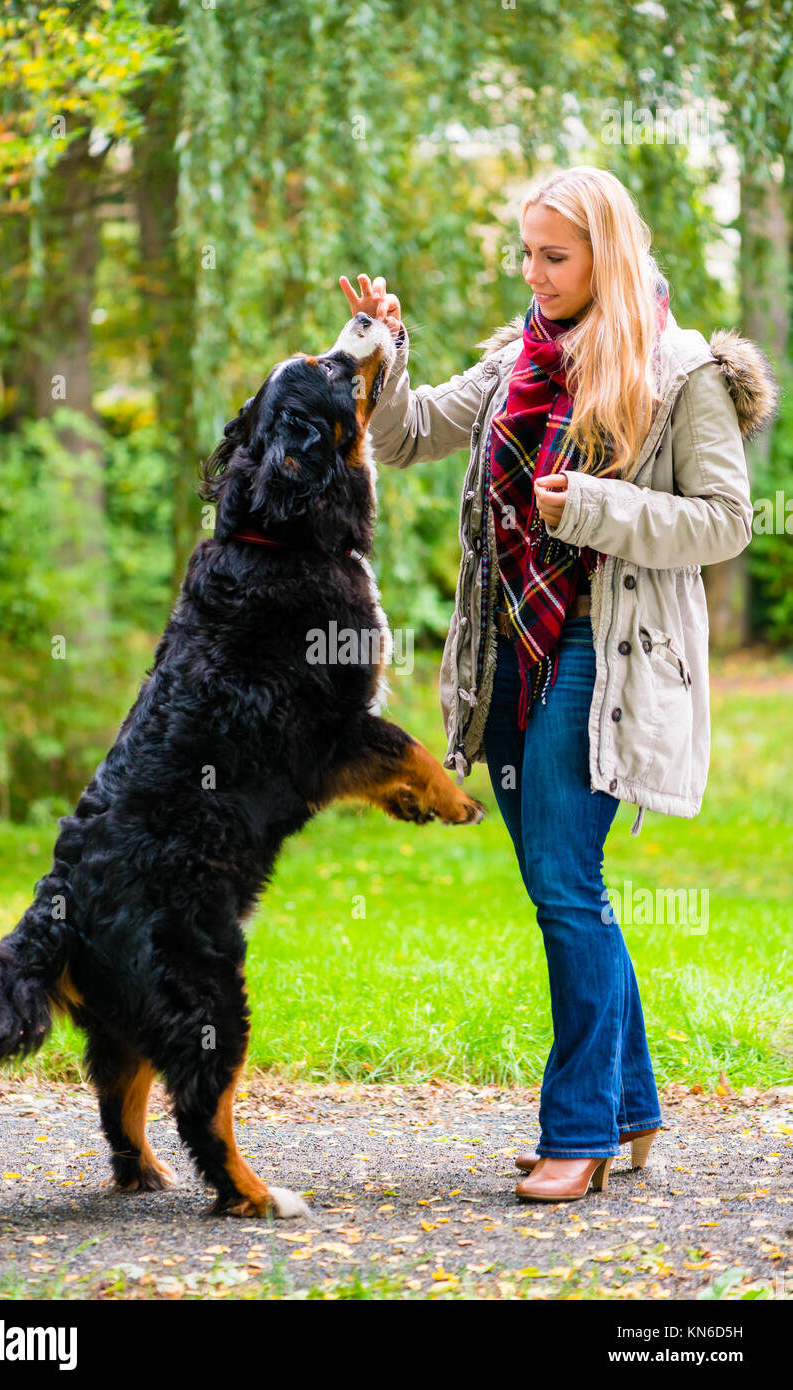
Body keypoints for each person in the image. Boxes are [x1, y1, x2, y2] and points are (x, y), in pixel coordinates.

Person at [338, 164, 776, 1203]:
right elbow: (397, 439)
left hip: (603, 656)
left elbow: (726, 520)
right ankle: (631, 1107)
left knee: (565, 886)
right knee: (566, 889)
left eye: (555, 256)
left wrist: (592, 508)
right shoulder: (512, 361)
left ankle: (575, 1131)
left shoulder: (682, 373)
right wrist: (386, 350)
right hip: (506, 658)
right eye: (526, 253)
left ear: (606, 254)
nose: (534, 274)